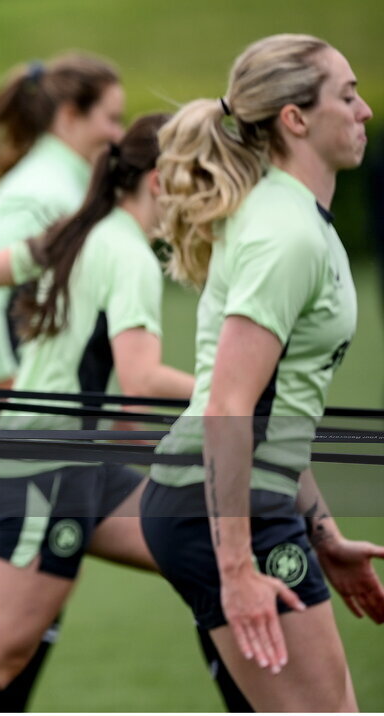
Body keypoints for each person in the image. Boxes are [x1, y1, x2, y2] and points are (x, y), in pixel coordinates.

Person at [0, 114, 195, 713]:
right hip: (46, 469)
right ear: (162, 181)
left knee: (209, 556)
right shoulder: (127, 252)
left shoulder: (81, 231)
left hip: (74, 463)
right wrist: (238, 393)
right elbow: (142, 382)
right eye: (201, 175)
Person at [141, 34, 384, 711]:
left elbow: (276, 414)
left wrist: (324, 535)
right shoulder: (287, 234)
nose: (364, 111)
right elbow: (230, 406)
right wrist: (237, 568)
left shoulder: (301, 221)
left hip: (242, 504)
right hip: (219, 513)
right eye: (348, 94)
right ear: (295, 119)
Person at [0, 55, 124, 395]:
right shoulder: (42, 193)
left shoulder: (63, 185)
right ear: (70, 116)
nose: (119, 135)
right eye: (112, 119)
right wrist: (9, 387)